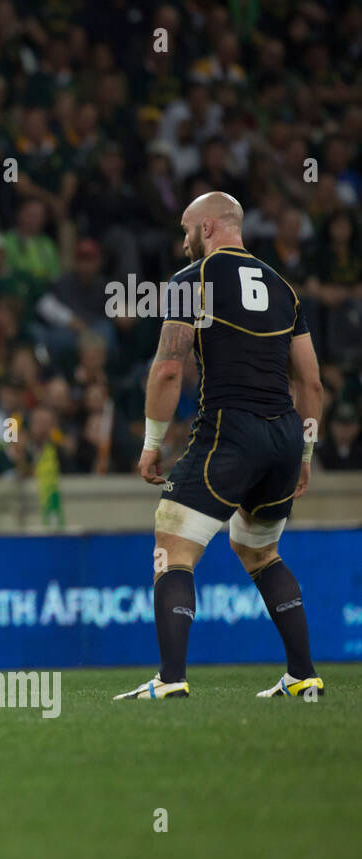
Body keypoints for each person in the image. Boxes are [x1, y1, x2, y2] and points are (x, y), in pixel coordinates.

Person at [119, 192, 325, 701]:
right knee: (260, 552)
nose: (182, 239)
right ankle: (303, 675)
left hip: (230, 430)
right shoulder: (283, 289)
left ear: (208, 227)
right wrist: (305, 453)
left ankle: (170, 679)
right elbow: (313, 384)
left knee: (174, 545)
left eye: (187, 229)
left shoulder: (192, 282)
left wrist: (151, 443)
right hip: (283, 435)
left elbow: (169, 367)